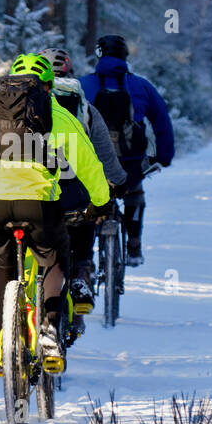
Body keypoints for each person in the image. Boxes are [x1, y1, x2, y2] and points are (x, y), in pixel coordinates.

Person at [0, 53, 110, 376]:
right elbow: (88, 163)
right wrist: (100, 203)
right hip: (37, 204)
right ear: (48, 86)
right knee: (55, 258)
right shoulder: (55, 113)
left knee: (2, 267)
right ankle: (49, 331)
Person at [39, 47, 127, 312]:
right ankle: (81, 273)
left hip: (26, 187)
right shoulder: (83, 106)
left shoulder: (16, 103)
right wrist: (117, 182)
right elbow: (102, 151)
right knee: (86, 213)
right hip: (70, 186)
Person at [79, 35, 174, 267]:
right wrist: (164, 156)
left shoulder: (82, 84)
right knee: (134, 192)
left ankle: (84, 261)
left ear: (98, 56)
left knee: (85, 202)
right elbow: (161, 120)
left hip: (94, 162)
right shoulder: (141, 85)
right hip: (130, 162)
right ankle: (133, 244)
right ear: (125, 57)